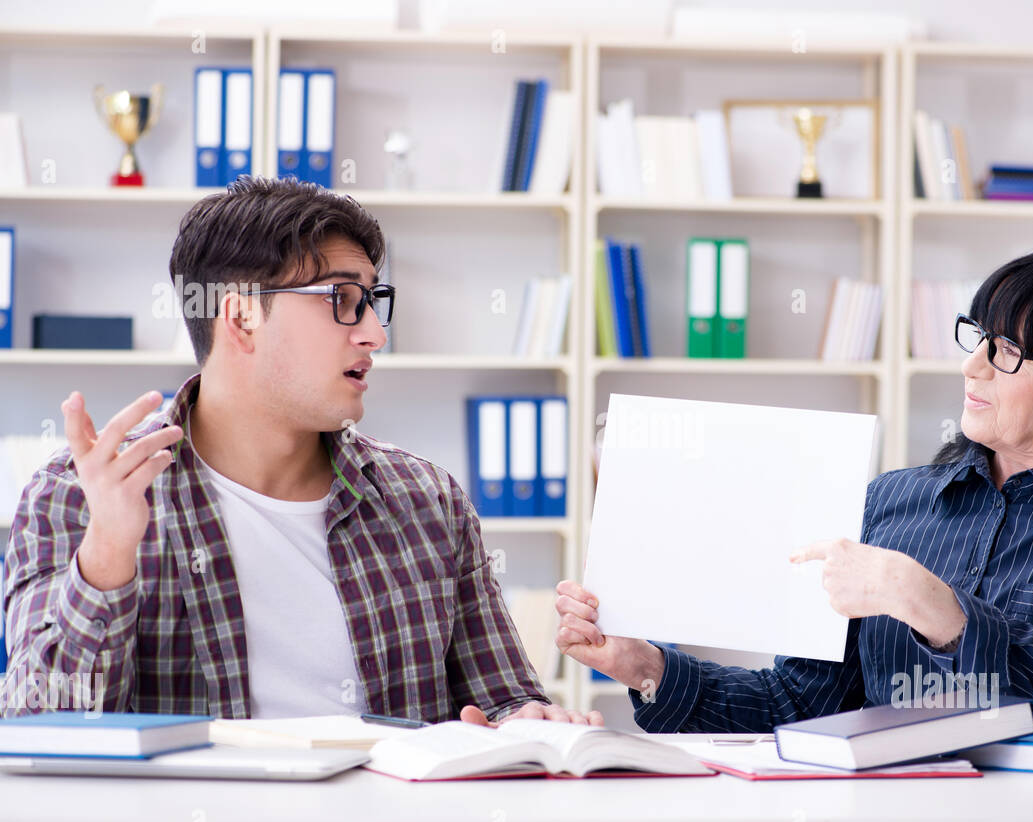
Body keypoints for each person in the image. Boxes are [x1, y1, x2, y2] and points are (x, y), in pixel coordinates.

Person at [1, 176, 600, 726]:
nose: (375, 334)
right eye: (341, 299)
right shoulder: (83, 492)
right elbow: (40, 727)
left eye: (372, 299)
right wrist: (107, 557)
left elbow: (506, 700)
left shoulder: (428, 501)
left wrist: (527, 726)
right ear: (240, 318)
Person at [553, 247, 1033, 731]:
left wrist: (932, 604)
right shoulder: (893, 501)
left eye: (1007, 350)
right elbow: (801, 704)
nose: (972, 364)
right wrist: (646, 666)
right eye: (978, 337)